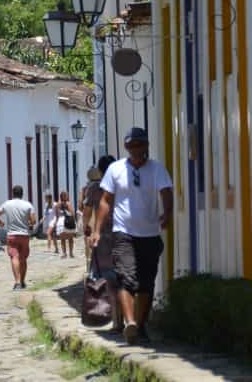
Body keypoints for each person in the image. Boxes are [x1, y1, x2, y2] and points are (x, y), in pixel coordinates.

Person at [89, 129, 172, 345]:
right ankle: (130, 323)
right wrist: (97, 230)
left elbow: (166, 192)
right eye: (132, 145)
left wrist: (168, 212)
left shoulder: (157, 169)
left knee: (146, 282)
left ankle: (140, 325)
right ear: (127, 148)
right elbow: (106, 200)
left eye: (139, 145)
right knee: (126, 278)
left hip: (150, 233)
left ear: (146, 146)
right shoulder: (116, 169)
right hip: (123, 232)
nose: (136, 149)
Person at [83, 155, 120, 330]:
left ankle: (116, 320)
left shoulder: (95, 188)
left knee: (108, 278)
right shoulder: (123, 185)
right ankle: (130, 317)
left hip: (104, 237)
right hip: (124, 235)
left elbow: (87, 210)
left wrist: (87, 229)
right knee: (125, 277)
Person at [0, 185, 36, 290]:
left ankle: (17, 283)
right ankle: (23, 281)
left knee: (14, 257)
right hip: (24, 235)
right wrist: (28, 223)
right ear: (22, 193)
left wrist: (1, 222)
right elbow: (33, 221)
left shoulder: (7, 204)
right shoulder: (28, 205)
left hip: (12, 235)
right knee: (23, 259)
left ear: (13, 193)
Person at [54, 190, 77, 258]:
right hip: (68, 220)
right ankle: (71, 253)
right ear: (65, 196)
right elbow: (72, 213)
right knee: (70, 238)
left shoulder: (58, 204)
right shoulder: (68, 203)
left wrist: (56, 222)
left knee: (62, 239)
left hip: (61, 221)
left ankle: (64, 253)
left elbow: (57, 215)